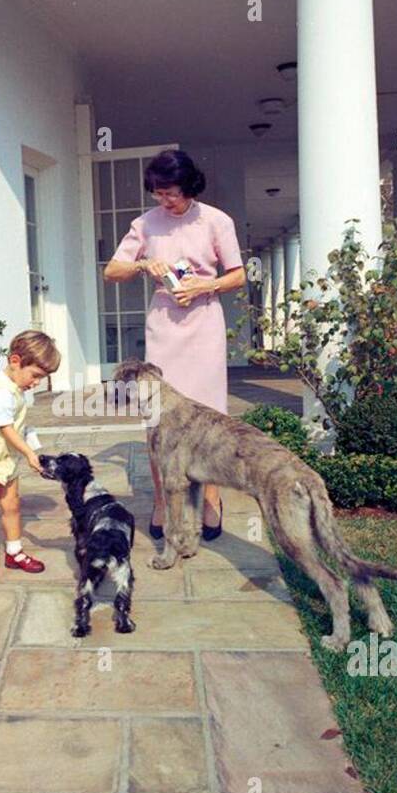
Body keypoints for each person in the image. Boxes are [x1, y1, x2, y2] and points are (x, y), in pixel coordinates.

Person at [102, 149, 246, 540]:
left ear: (190, 187)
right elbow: (112, 271)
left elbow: (238, 275)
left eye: (172, 193)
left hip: (203, 324)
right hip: (165, 325)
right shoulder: (145, 224)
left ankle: (211, 498)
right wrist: (142, 265)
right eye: (159, 193)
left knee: (210, 416)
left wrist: (207, 284)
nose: (165, 201)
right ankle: (164, 500)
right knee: (158, 419)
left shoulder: (217, 220)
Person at [0, 330, 60, 592]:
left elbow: (21, 426)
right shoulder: (0, 393)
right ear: (15, 361)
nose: (37, 383)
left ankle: (14, 552)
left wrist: (35, 449)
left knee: (12, 507)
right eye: (36, 376)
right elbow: (6, 428)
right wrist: (28, 453)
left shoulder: (16, 390)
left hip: (7, 460)